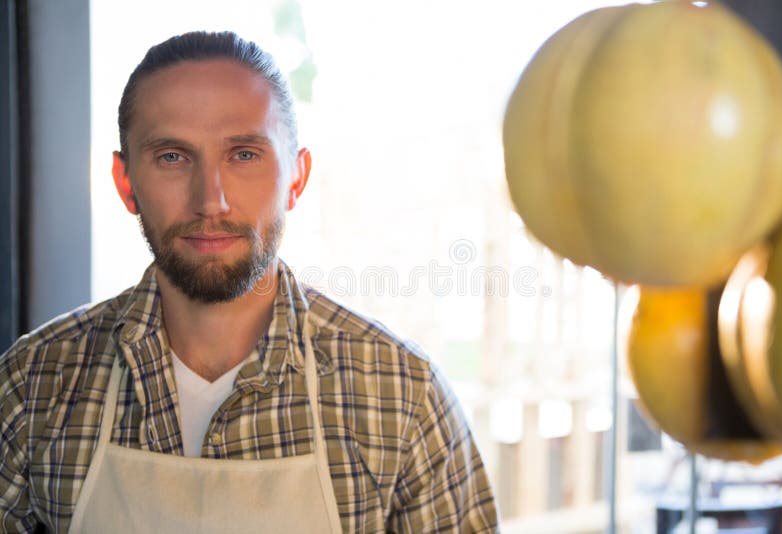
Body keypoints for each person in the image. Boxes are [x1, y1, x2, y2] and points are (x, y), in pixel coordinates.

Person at [0, 31, 499, 533]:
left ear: (297, 178)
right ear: (126, 181)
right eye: (173, 156)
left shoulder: (402, 394)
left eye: (244, 154)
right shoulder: (32, 383)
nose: (210, 200)